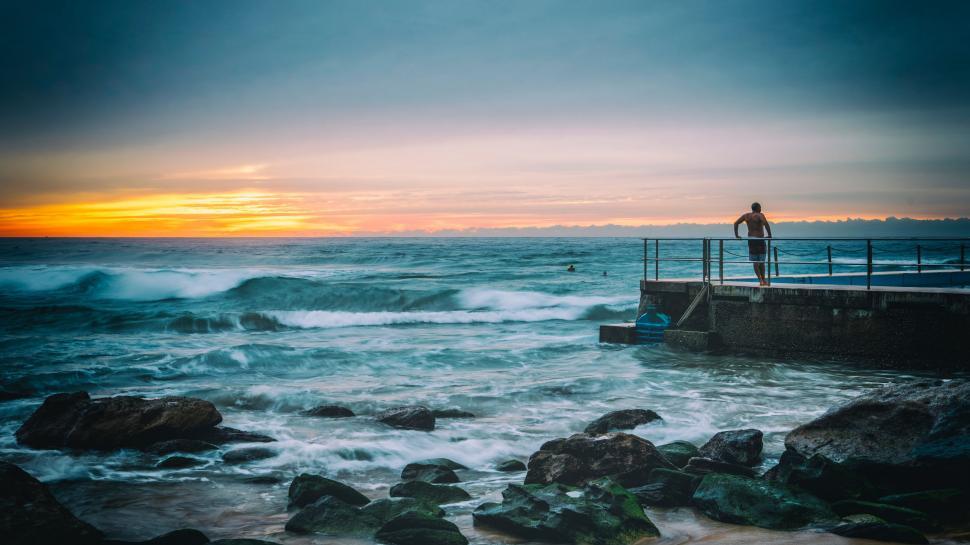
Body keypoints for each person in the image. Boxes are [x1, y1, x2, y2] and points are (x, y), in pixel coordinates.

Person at [734, 202, 773, 286]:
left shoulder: (746, 216)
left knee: (755, 262)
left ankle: (760, 280)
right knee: (761, 261)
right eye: (760, 207)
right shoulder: (760, 215)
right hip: (759, 240)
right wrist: (769, 235)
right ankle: (763, 280)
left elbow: (735, 223)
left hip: (751, 240)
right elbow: (766, 224)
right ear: (758, 208)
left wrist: (736, 235)